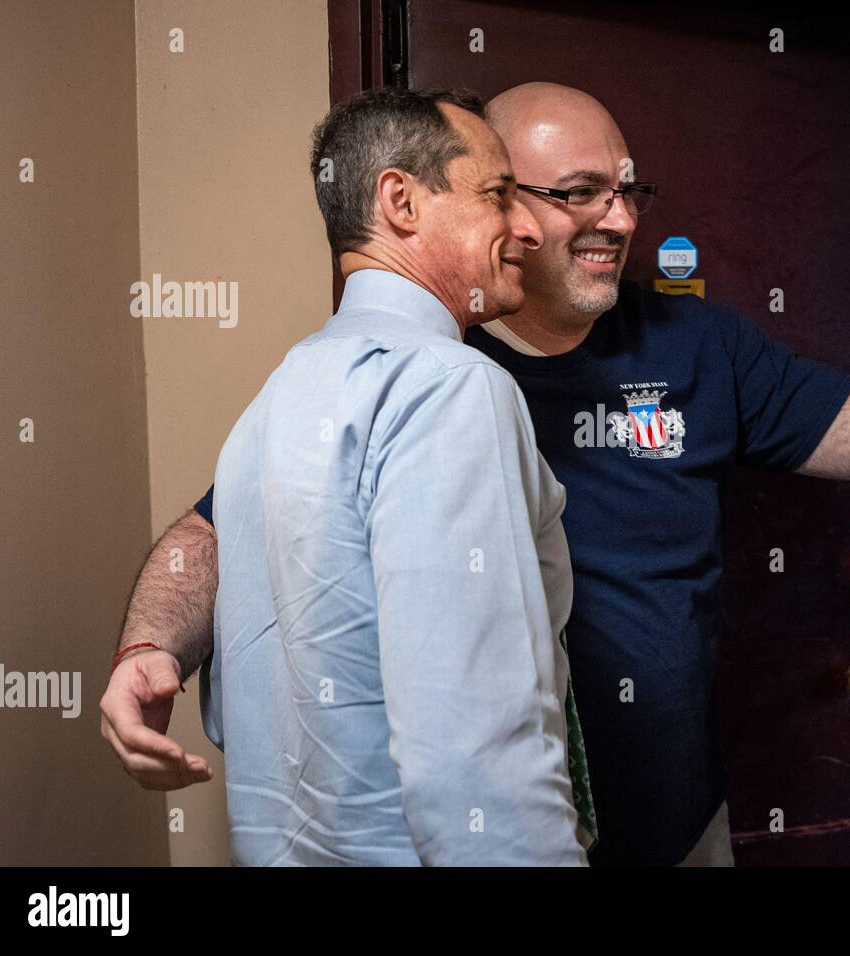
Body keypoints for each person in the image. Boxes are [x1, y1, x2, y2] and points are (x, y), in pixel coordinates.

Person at [102, 82, 850, 867]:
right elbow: (218, 530)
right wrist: (151, 641)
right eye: (573, 190)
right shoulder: (424, 374)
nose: (618, 219)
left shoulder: (695, 340)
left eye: (627, 188)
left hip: (675, 824)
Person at [115, 85, 590, 865]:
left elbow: (245, 711)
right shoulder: (449, 388)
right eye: (500, 195)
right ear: (400, 201)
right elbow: (472, 762)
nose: (530, 227)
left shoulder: (272, 403)